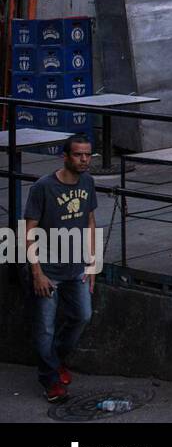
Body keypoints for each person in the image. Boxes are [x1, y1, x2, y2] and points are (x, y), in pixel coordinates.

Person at [23, 134, 97, 403]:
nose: (84, 159)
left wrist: (92, 263)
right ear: (65, 156)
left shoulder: (88, 182)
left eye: (88, 154)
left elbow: (89, 221)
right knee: (45, 329)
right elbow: (29, 231)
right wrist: (37, 272)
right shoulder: (44, 187)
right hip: (48, 271)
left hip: (76, 268)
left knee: (82, 316)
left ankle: (54, 360)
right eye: (78, 155)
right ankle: (50, 381)